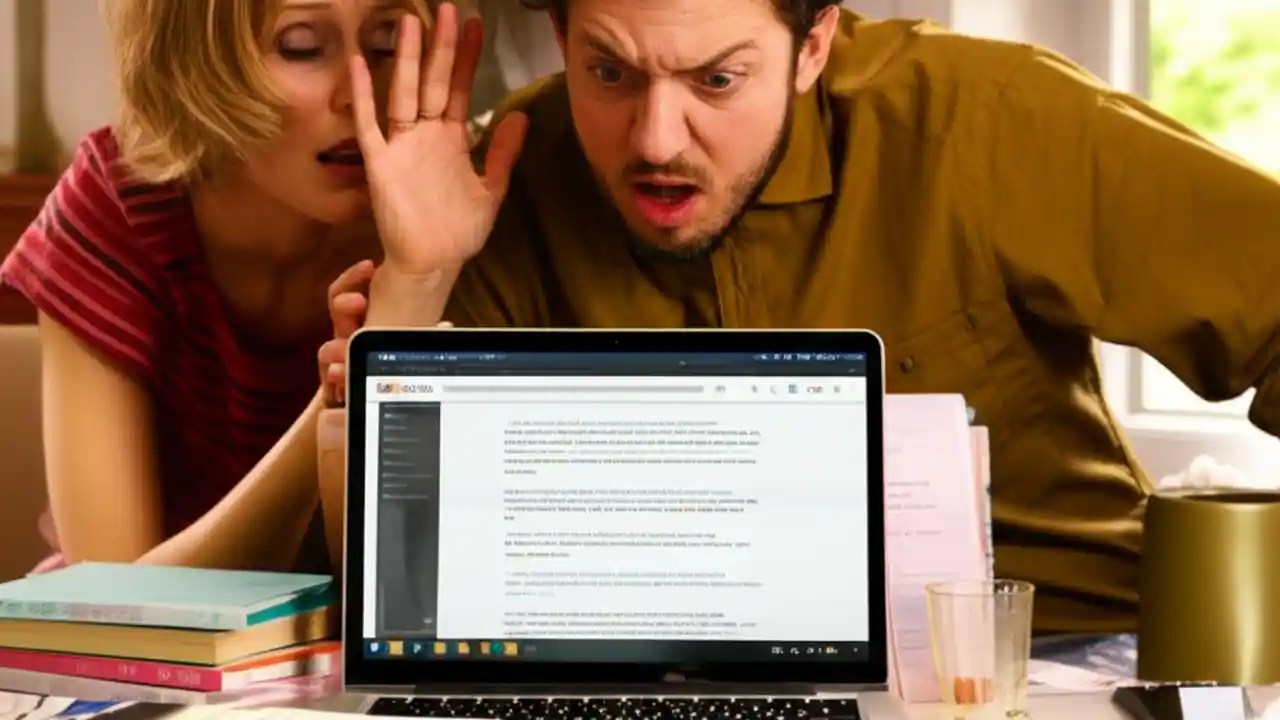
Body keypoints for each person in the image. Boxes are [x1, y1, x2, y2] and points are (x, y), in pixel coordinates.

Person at [320, 0, 1280, 635]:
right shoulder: (504, 184)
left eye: (717, 80)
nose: (655, 140)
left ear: (814, 42)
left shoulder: (987, 122)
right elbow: (399, 602)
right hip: (656, 689)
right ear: (564, 39)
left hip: (1053, 664)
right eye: (610, 73)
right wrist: (418, 277)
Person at [0, 0, 524, 573]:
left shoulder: (466, 211)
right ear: (196, 64)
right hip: (141, 655)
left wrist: (417, 284)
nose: (359, 92)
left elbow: (406, 581)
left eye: (388, 43)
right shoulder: (117, 208)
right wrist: (347, 390)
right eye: (301, 46)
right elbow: (115, 603)